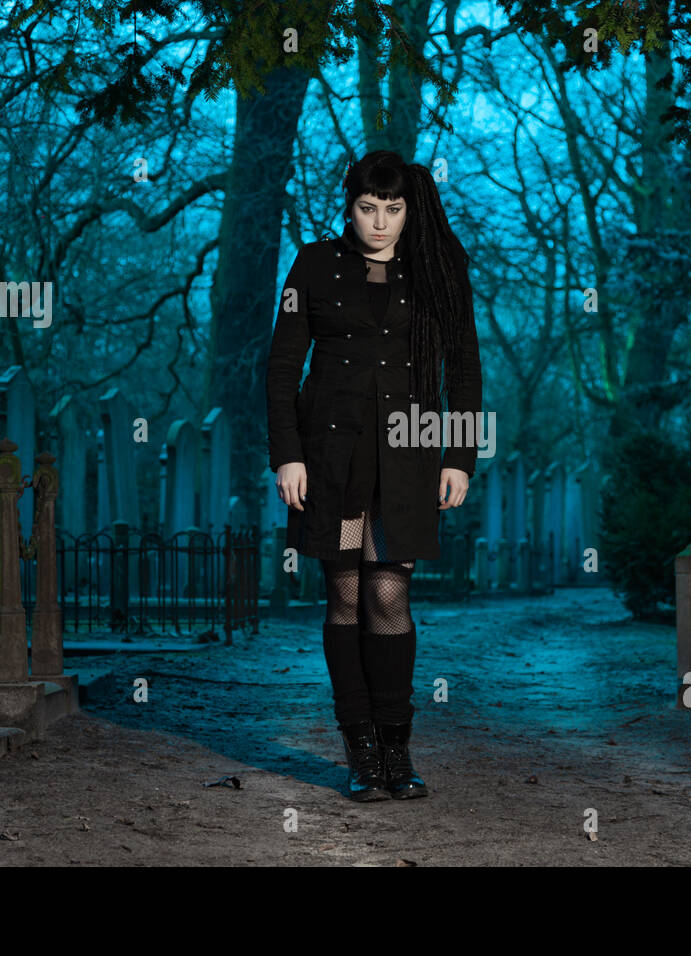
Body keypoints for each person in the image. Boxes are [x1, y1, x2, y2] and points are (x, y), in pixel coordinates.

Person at [266, 150, 483, 802]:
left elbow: (465, 371)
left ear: (410, 210)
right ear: (350, 206)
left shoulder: (439, 272)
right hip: (333, 465)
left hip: (408, 461)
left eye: (391, 209)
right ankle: (358, 748)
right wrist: (287, 456)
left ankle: (397, 746)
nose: (379, 222)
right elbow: (280, 369)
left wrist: (459, 458)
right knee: (345, 597)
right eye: (367, 208)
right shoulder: (312, 265)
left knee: (390, 598)